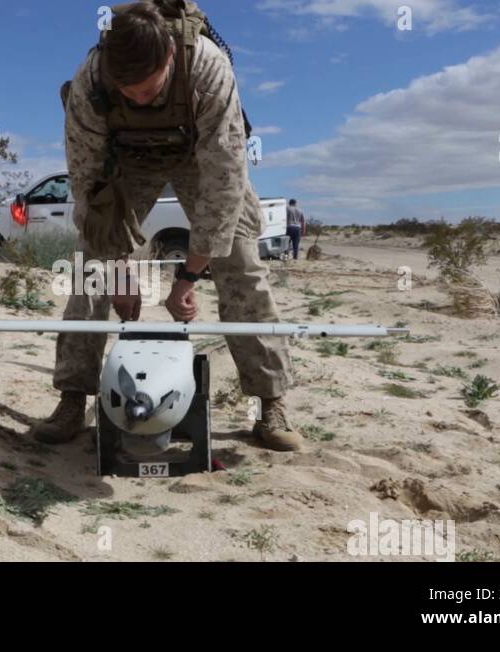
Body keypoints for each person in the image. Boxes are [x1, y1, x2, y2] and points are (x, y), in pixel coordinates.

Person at [30, 0, 302, 452]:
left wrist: (190, 277)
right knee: (91, 266)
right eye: (128, 91)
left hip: (198, 154)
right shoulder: (91, 81)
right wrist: (119, 270)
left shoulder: (208, 69)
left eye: (148, 89)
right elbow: (88, 183)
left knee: (240, 262)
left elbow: (225, 180)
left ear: (170, 60)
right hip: (128, 160)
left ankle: (270, 402)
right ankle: (72, 398)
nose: (139, 98)